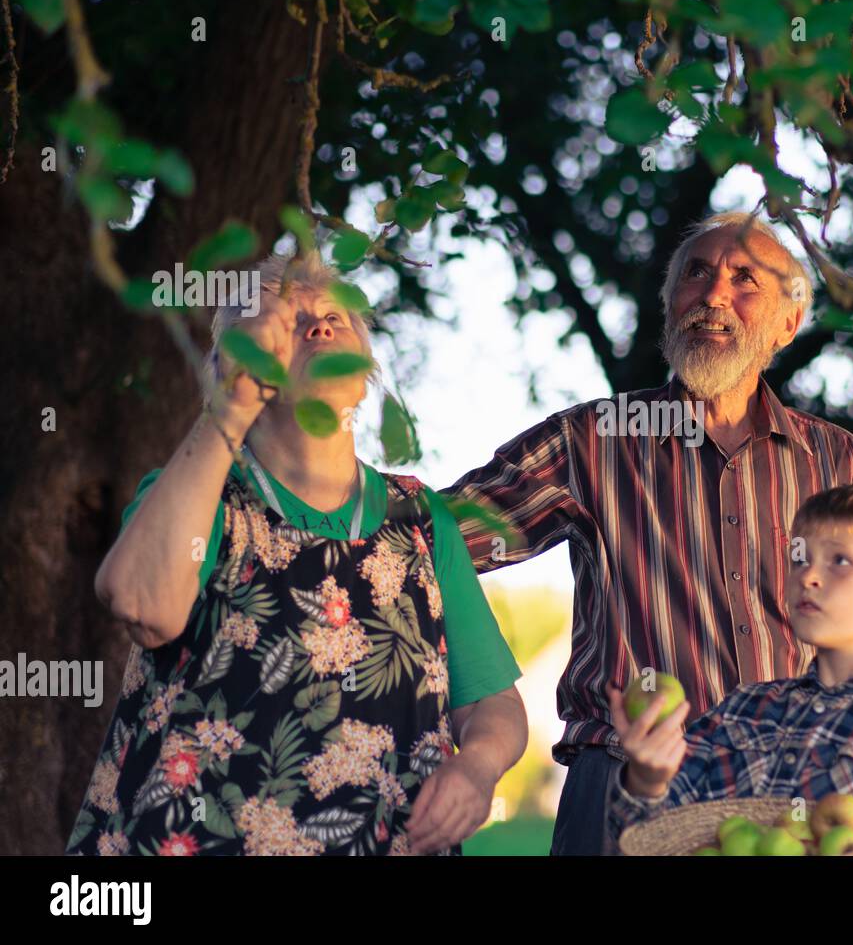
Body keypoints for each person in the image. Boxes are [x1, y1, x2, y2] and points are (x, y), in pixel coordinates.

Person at [441, 211, 853, 855]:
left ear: (787, 325)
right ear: (670, 307)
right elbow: (429, 544)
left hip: (793, 798)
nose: (714, 294)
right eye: (696, 274)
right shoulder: (591, 443)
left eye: (745, 279)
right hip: (621, 794)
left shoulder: (845, 465)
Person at [67, 250, 526, 856]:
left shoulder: (420, 519)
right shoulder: (199, 498)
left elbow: (491, 702)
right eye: (286, 322)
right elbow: (137, 602)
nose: (320, 325)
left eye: (335, 315)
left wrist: (478, 768)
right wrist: (232, 406)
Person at [607, 484, 853, 856]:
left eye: (839, 560)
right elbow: (656, 839)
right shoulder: (743, 708)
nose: (808, 576)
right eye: (799, 559)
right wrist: (647, 781)